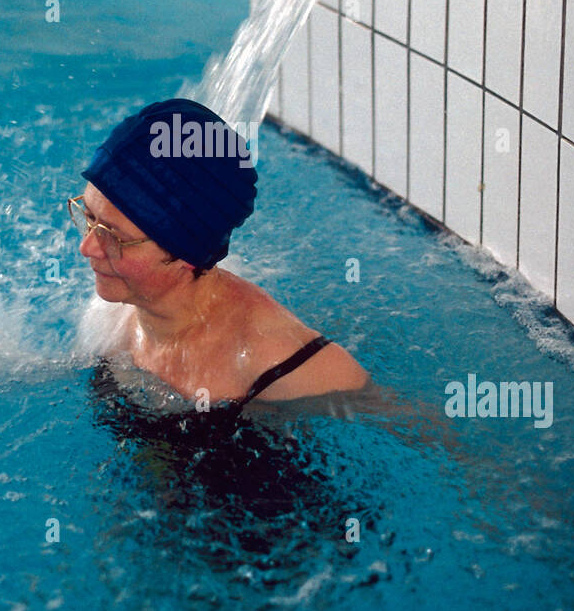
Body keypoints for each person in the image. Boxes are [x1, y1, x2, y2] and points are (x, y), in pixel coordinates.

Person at [69, 98, 368, 407]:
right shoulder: (110, 315)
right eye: (89, 217)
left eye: (113, 237)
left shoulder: (291, 370)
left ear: (186, 253)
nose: (86, 247)